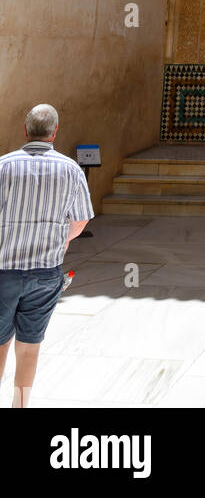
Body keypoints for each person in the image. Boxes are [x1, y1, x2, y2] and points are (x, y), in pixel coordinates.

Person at [0, 104, 93, 408]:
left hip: (3, 270)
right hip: (45, 273)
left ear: (25, 131)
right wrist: (58, 240)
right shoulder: (71, 169)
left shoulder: (3, 166)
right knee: (29, 349)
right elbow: (80, 221)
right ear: (55, 133)